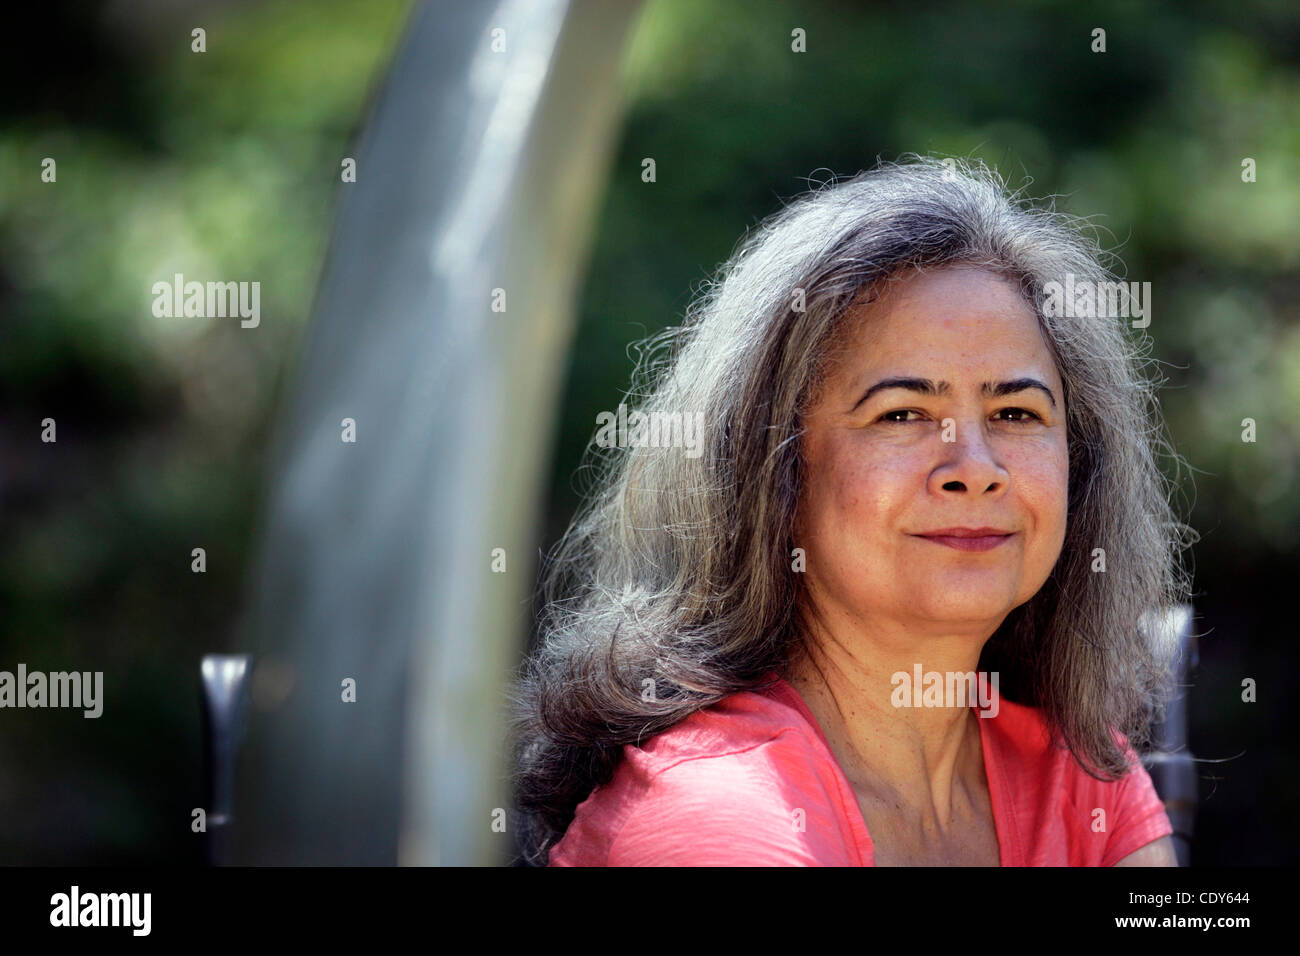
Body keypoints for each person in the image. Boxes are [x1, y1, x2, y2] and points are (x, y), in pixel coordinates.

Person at [508, 155, 1194, 866]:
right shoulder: (717, 817)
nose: (976, 470)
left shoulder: (1078, 779)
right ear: (771, 474)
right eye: (902, 414)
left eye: (1016, 412)